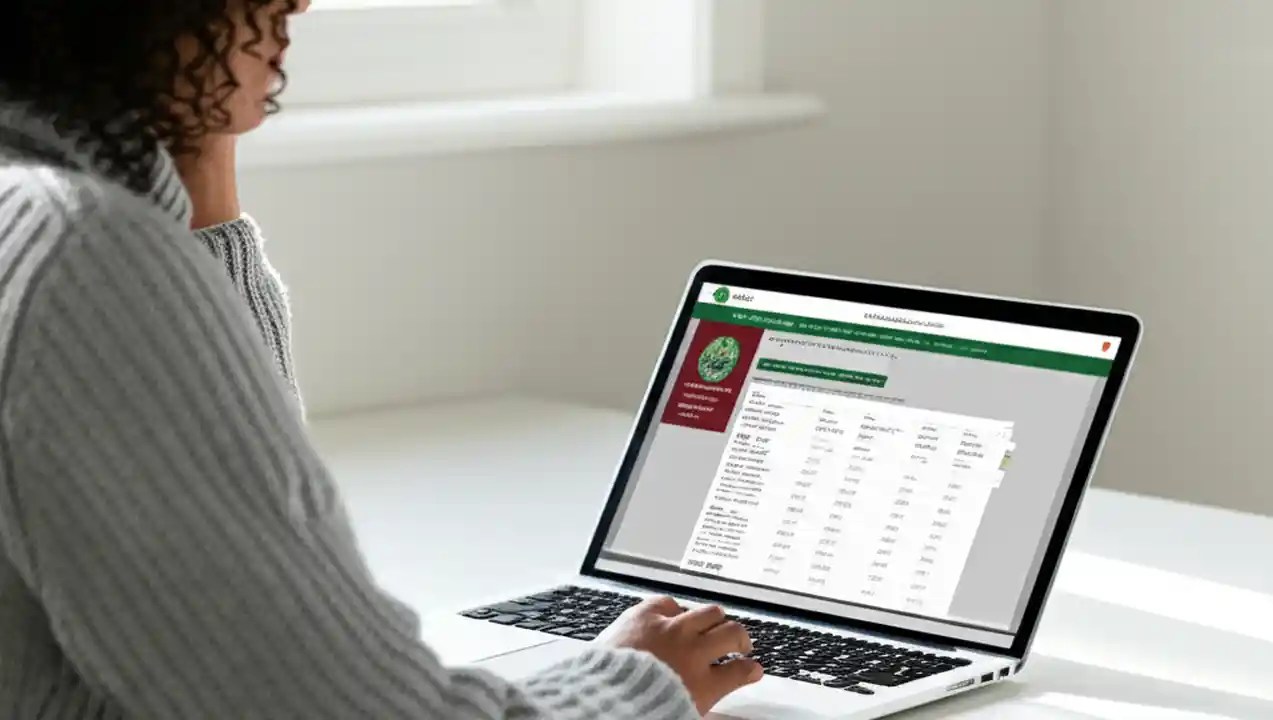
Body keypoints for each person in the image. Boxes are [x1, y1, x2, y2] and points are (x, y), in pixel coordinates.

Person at [0, 1, 763, 717]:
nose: (299, 4)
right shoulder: (75, 249)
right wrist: (639, 682)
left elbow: (257, 508)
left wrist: (195, 146)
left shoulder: (39, 207)